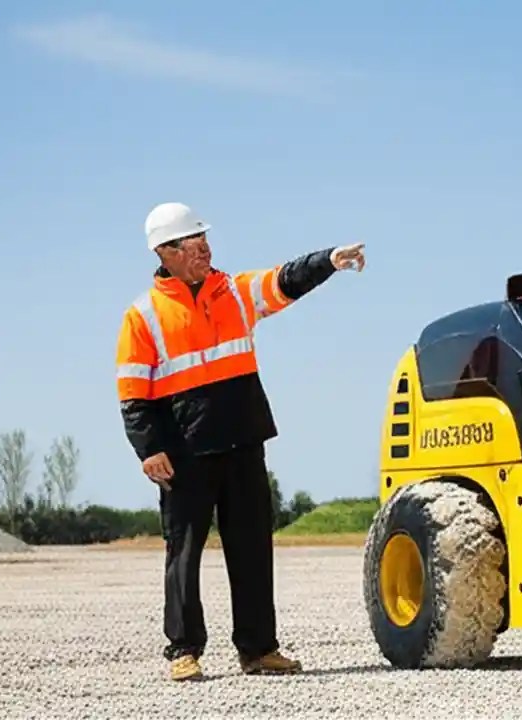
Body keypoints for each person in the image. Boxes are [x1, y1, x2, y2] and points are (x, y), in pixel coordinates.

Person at [115, 201, 366, 681]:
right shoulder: (142, 316)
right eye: (192, 243)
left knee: (252, 550)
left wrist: (329, 259)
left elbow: (283, 279)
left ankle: (258, 649)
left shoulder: (233, 291)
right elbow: (132, 392)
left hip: (244, 442)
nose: (204, 248)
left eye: (205, 239)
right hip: (184, 454)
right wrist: (149, 449)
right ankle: (184, 650)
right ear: (165, 251)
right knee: (182, 554)